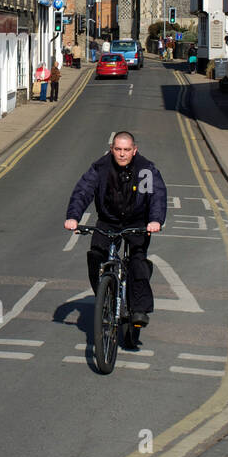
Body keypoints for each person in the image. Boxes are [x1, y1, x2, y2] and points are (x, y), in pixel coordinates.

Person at [64, 131, 166, 334]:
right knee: (95, 256)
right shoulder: (100, 168)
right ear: (112, 150)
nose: (122, 154)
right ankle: (105, 295)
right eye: (118, 149)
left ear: (134, 150)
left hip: (137, 222)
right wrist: (73, 216)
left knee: (137, 261)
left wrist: (155, 220)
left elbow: (156, 195)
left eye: (126, 150)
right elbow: (83, 190)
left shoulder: (145, 169)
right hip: (108, 220)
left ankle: (138, 309)